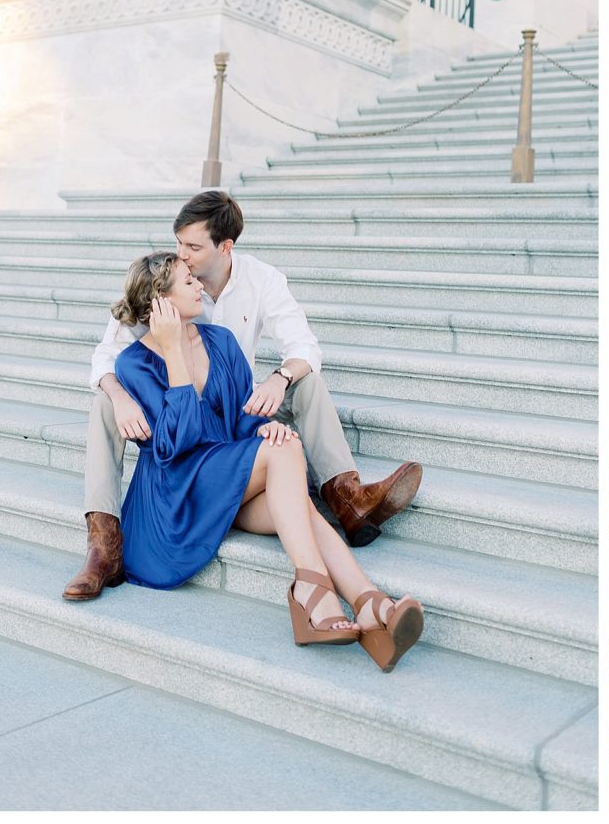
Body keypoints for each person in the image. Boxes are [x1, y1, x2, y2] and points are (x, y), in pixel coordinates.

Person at [63, 190, 421, 602]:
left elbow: (304, 348)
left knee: (306, 383)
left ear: (225, 247)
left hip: (241, 407)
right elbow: (108, 357)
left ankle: (349, 508)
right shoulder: (161, 286)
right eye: (180, 245)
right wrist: (121, 395)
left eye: (193, 248)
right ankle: (104, 542)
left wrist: (278, 383)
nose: (185, 256)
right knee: (106, 398)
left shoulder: (257, 284)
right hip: (174, 430)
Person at [110, 251, 423, 670]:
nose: (201, 285)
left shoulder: (219, 340)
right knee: (289, 469)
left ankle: (368, 602)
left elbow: (242, 417)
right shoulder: (134, 364)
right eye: (188, 282)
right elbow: (172, 446)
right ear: (160, 303)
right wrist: (172, 353)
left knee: (294, 481)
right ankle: (318, 590)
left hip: (226, 480)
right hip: (178, 495)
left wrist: (264, 429)